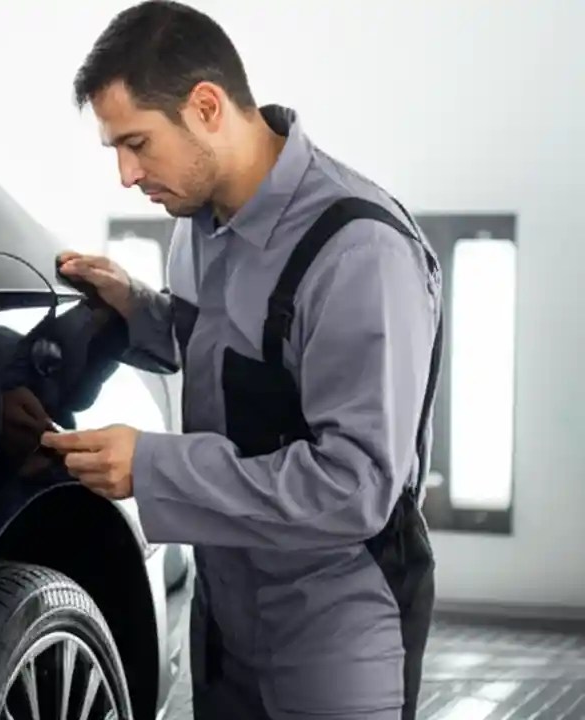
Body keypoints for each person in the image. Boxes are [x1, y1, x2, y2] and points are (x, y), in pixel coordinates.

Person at [40, 2, 443, 719]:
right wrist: (139, 307)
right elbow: (237, 354)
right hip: (225, 612)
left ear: (206, 106)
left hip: (335, 623)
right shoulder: (197, 227)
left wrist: (152, 467)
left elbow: (355, 486)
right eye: (114, 152)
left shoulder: (359, 253)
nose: (127, 176)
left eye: (137, 143)